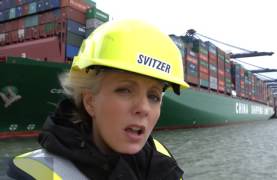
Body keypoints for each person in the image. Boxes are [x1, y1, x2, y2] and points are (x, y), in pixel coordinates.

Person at [7, 19, 189, 180]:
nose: (144, 108)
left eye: (153, 96)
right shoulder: (30, 173)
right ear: (90, 102)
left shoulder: (162, 158)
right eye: (125, 90)